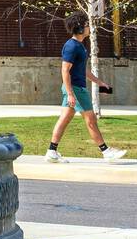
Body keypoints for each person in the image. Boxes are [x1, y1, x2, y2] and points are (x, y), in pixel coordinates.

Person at [45, 12, 127, 161]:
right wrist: (70, 93)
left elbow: (82, 69)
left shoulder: (80, 46)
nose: (89, 27)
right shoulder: (72, 46)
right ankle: (106, 152)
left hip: (75, 88)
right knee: (91, 119)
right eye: (87, 25)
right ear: (80, 28)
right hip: (75, 89)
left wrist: (99, 82)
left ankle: (51, 151)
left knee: (63, 119)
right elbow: (65, 70)